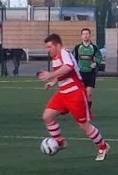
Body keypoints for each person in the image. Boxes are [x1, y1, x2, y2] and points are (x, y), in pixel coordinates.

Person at [37, 32, 110, 160]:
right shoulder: (55, 58)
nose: (47, 50)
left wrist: (50, 74)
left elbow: (69, 67)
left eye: (49, 47)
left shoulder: (64, 52)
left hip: (75, 93)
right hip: (63, 93)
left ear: (57, 45)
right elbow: (62, 73)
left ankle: (103, 147)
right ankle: (60, 142)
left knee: (84, 125)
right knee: (47, 116)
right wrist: (53, 82)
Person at [73, 27, 107, 114]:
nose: (85, 36)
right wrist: (75, 67)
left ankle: (87, 112)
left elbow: (99, 57)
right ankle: (80, 110)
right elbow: (72, 59)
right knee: (80, 94)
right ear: (81, 36)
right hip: (80, 73)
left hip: (91, 73)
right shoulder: (77, 47)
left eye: (87, 34)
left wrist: (95, 63)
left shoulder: (94, 47)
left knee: (89, 93)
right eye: (84, 34)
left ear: (89, 35)